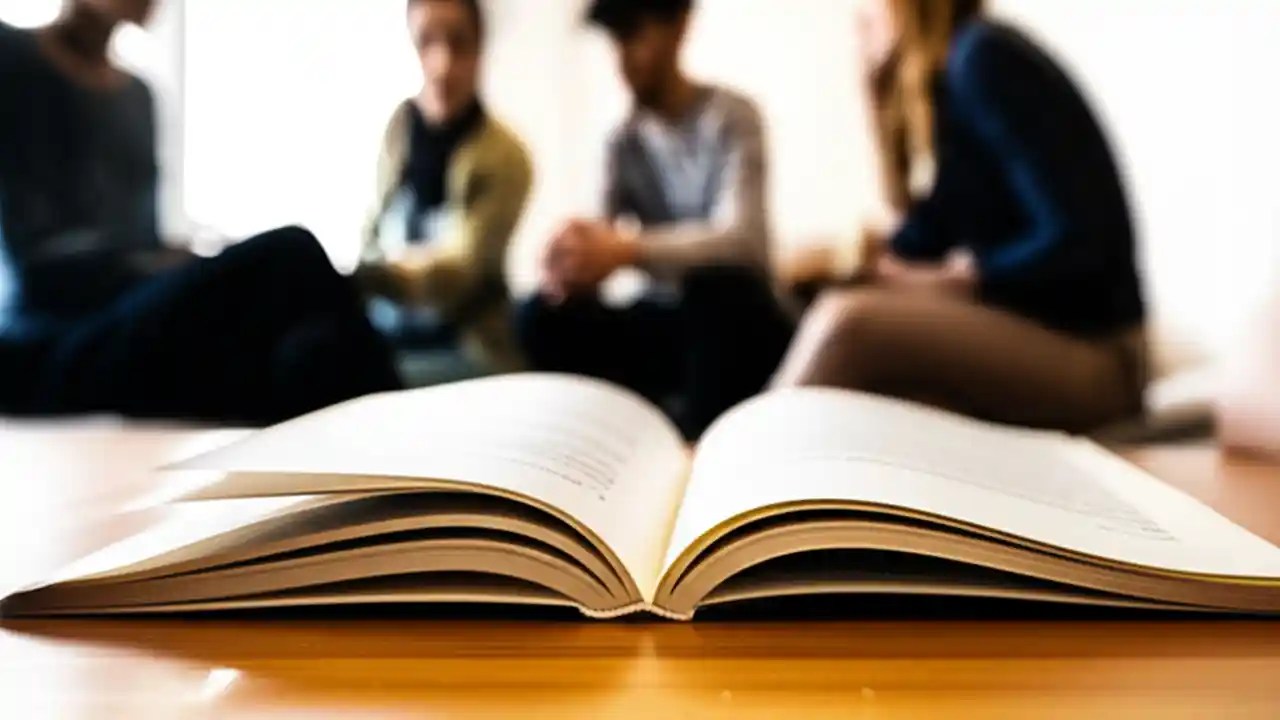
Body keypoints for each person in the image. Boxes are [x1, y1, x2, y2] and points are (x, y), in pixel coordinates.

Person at [0, 0, 401, 424]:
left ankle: (419, 478)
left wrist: (178, 260)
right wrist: (158, 266)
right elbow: (40, 266)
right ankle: (421, 451)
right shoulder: (11, 54)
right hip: (48, 339)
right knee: (292, 252)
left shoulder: (139, 95)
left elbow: (143, 236)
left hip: (129, 314)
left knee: (312, 351)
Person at [772, 0, 1148, 433]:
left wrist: (967, 278)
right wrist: (874, 96)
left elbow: (1080, 241)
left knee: (846, 326)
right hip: (1055, 340)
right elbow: (921, 236)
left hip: (1101, 358)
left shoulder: (983, 57)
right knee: (824, 308)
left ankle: (740, 480)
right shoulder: (951, 75)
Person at [516, 0, 793, 438]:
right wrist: (570, 263)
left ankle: (696, 445)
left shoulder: (733, 117)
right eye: (614, 41)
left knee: (717, 288)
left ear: (680, 25)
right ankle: (610, 444)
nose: (622, 58)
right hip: (671, 326)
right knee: (539, 314)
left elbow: (745, 243)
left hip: (738, 325)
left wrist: (628, 249)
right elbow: (600, 241)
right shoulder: (622, 141)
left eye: (634, 35)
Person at [357, 0, 531, 380]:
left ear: (481, 47)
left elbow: (461, 271)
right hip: (387, 331)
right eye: (426, 42)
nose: (442, 64)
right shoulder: (400, 128)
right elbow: (372, 228)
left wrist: (367, 276)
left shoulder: (506, 156)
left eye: (459, 43)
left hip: (464, 348)